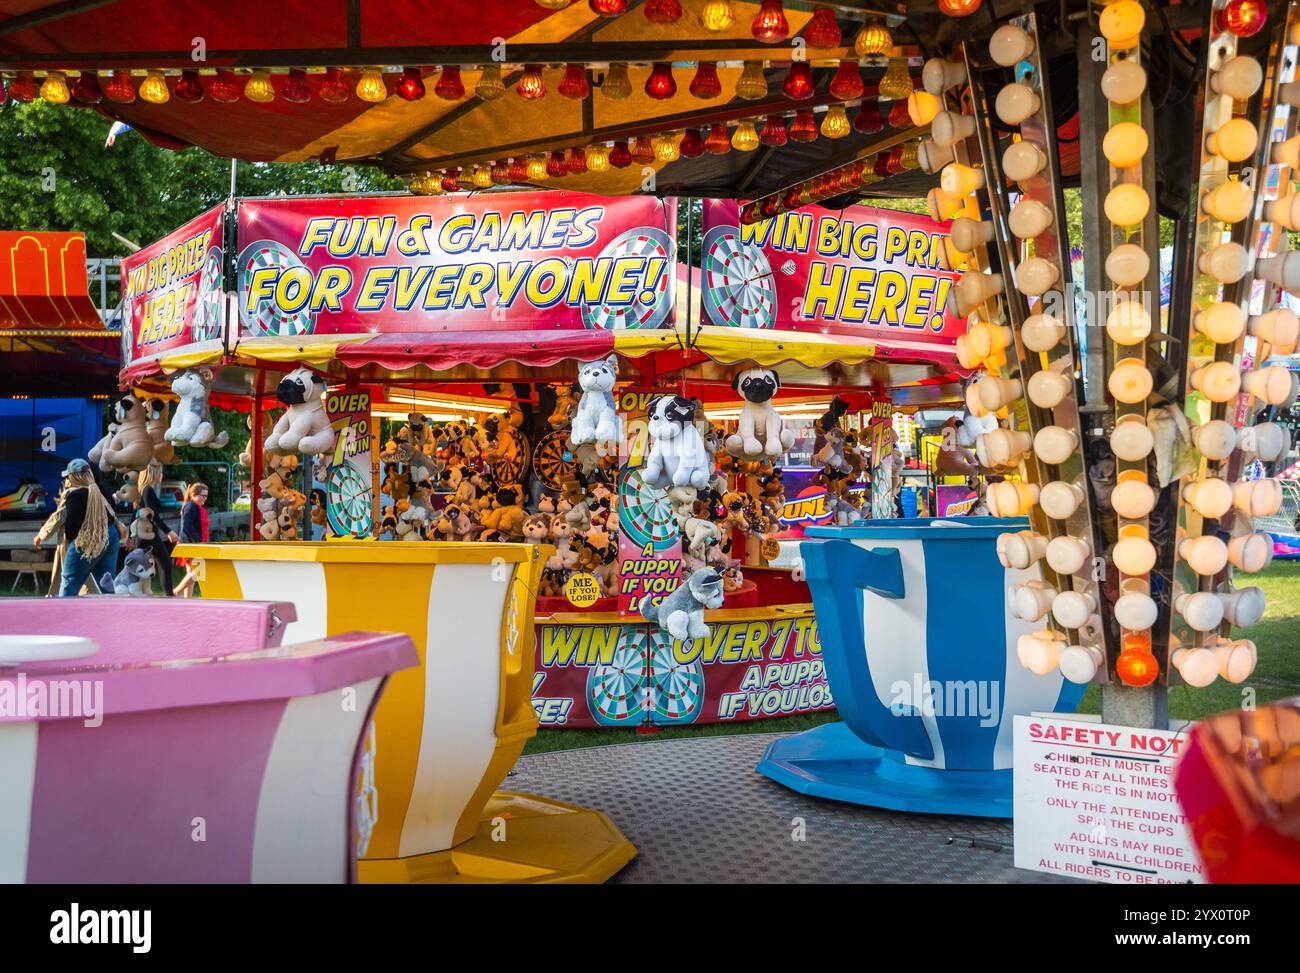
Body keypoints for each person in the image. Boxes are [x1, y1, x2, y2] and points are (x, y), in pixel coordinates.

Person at [35, 459, 122, 597]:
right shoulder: (99, 490)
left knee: (69, 582)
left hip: (86, 542)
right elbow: (113, 513)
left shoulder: (75, 495)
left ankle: (64, 614)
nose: (67, 479)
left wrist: (70, 544)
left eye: (68, 476)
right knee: (106, 582)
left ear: (75, 476)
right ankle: (108, 615)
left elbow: (71, 526)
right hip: (109, 536)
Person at [136, 463, 177, 596]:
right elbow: (152, 515)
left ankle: (168, 594)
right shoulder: (147, 490)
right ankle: (169, 595)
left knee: (143, 566)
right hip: (148, 535)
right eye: (160, 472)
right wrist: (169, 531)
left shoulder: (144, 490)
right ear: (153, 473)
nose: (162, 475)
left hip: (144, 534)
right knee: (165, 563)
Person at [174, 481, 209, 597]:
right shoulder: (191, 506)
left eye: (206, 496)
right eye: (202, 495)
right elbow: (187, 526)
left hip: (191, 544)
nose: (204, 498)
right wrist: (198, 541)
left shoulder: (194, 506)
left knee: (191, 573)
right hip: (191, 544)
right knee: (199, 571)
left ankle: (186, 599)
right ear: (193, 495)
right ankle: (177, 591)